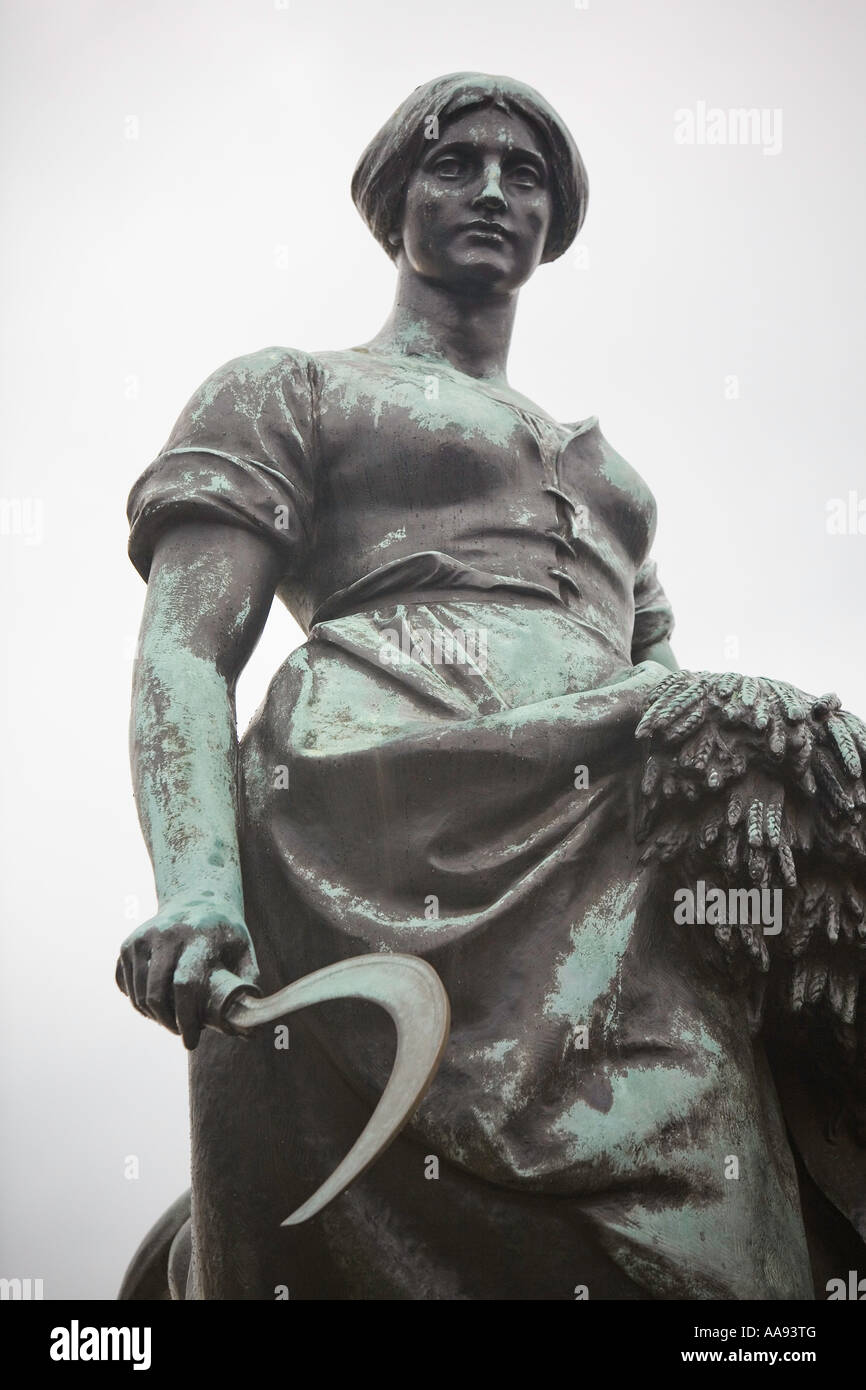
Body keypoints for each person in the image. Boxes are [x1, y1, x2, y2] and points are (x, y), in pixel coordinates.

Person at [117, 72, 864, 1300]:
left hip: (599, 857)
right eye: (453, 163)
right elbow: (187, 647)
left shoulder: (617, 482)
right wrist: (196, 881)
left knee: (739, 1242)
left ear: (553, 225)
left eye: (523, 176)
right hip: (371, 815)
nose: (490, 192)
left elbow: (663, 705)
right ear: (391, 200)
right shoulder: (292, 386)